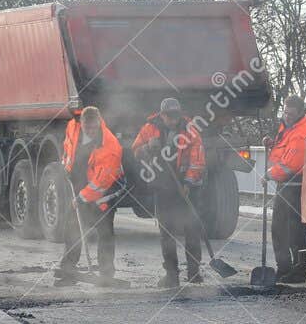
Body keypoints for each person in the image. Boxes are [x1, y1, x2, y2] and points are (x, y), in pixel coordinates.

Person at [132, 97, 206, 288]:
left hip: (186, 184)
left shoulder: (191, 131)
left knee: (191, 228)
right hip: (163, 185)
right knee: (167, 232)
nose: (172, 120)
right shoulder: (149, 128)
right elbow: (135, 151)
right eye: (169, 116)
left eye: (175, 116)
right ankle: (171, 275)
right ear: (162, 115)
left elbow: (197, 160)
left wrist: (189, 183)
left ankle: (194, 272)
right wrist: (148, 147)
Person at [54, 104, 125, 287]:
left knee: (105, 232)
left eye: (94, 128)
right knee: (73, 228)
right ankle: (68, 270)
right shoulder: (73, 126)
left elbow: (101, 182)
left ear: (100, 123)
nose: (90, 131)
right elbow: (67, 145)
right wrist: (65, 164)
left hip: (105, 191)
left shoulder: (110, 146)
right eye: (87, 128)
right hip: (80, 181)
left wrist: (81, 198)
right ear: (81, 123)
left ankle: (106, 274)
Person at [267, 94, 306, 283]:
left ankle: (298, 270)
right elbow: (283, 154)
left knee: (293, 230)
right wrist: (271, 144)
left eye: (291, 114)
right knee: (281, 229)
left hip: (294, 186)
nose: (287, 116)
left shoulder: (301, 133)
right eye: (285, 113)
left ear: (300, 113)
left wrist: (269, 175)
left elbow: (290, 166)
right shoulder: (288, 129)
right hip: (286, 186)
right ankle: (285, 268)